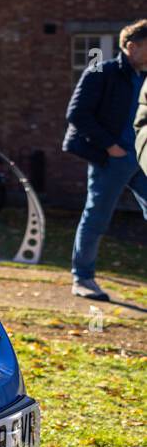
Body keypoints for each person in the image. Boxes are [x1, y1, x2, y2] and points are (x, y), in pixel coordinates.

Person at [64, 19, 147, 301]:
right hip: (113, 158)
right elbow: (77, 115)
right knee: (97, 217)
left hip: (141, 158)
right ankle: (83, 279)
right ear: (131, 46)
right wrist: (111, 147)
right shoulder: (102, 72)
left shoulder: (142, 77)